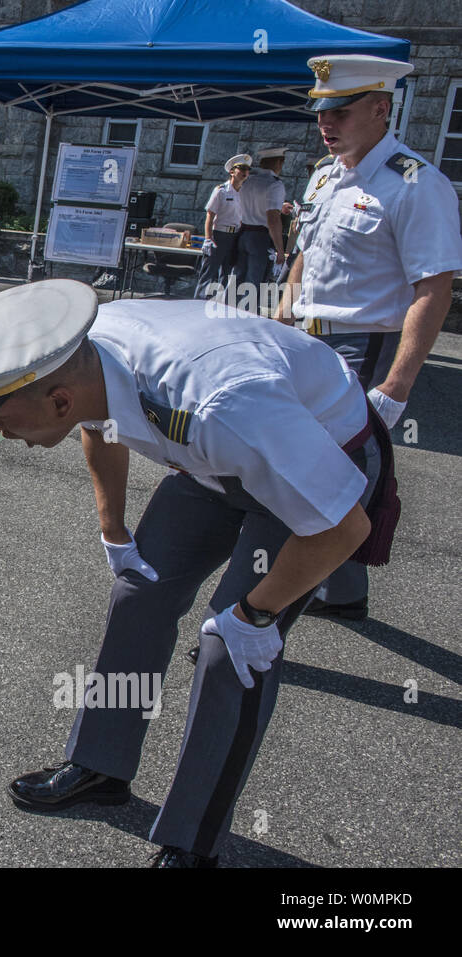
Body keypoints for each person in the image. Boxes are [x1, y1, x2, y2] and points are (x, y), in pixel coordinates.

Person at [0, 280, 381, 867]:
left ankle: (192, 842)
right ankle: (102, 766)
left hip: (311, 468)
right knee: (140, 587)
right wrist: (114, 531)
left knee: (231, 648)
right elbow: (100, 424)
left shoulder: (222, 405)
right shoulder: (83, 361)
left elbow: (343, 528)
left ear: (58, 400)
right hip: (215, 460)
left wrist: (256, 616)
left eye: (2, 422)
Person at [278, 54, 462, 621]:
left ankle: (278, 598)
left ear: (382, 108)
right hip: (308, 340)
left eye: (343, 111)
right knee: (310, 465)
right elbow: (304, 260)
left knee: (332, 471)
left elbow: (435, 288)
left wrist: (397, 386)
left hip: (365, 343)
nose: (327, 124)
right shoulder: (323, 174)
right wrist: (277, 328)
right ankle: (341, 589)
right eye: (321, 113)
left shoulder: (416, 184)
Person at [231, 146, 287, 296]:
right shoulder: (274, 184)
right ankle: (247, 318)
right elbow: (273, 219)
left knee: (237, 281)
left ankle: (230, 315)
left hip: (243, 233)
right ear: (279, 163)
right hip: (260, 237)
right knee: (254, 285)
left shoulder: (247, 181)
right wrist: (280, 250)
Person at [195, 154, 249, 298]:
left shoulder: (245, 192)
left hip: (235, 236)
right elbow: (210, 215)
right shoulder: (221, 190)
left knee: (227, 273)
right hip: (219, 234)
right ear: (232, 171)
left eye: (247, 169)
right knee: (209, 273)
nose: (245, 172)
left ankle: (220, 304)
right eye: (241, 168)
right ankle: (198, 302)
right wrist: (208, 238)